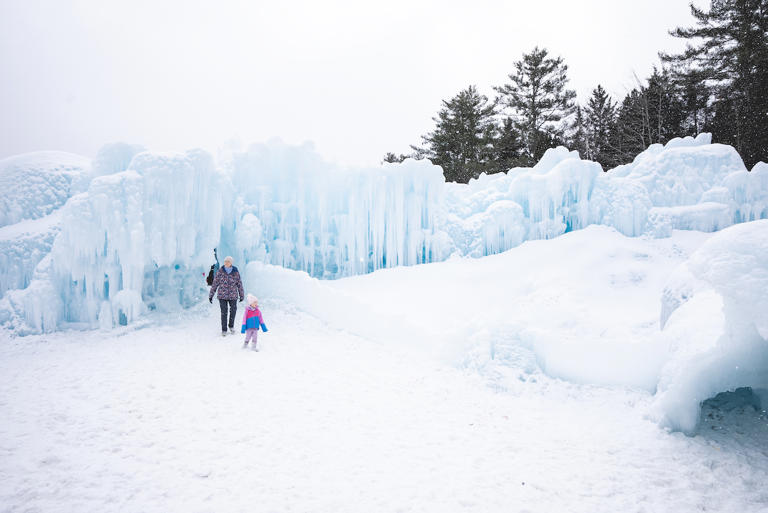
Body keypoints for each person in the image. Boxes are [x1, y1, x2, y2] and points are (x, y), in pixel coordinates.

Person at [208, 256, 244, 336]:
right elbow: (215, 283)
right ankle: (224, 329)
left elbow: (239, 284)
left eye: (228, 261)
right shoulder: (220, 271)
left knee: (233, 310)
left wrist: (241, 295)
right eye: (225, 261)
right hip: (222, 295)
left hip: (233, 295)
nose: (226, 263)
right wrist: (211, 295)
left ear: (231, 263)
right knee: (224, 312)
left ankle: (231, 326)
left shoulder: (235, 271)